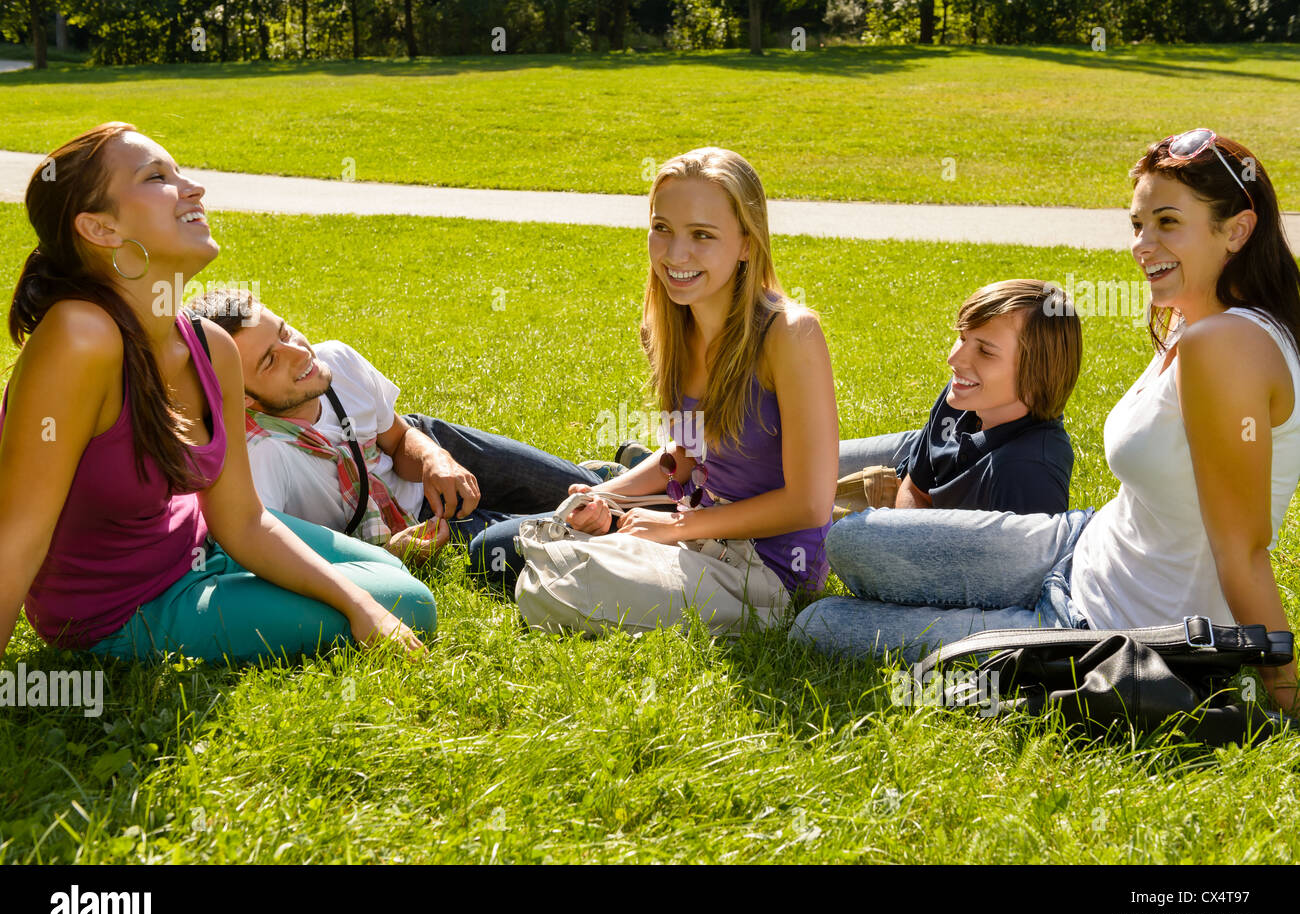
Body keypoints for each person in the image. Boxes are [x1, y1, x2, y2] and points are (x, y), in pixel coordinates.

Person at [794, 130, 1300, 714]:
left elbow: (1243, 547)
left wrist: (1286, 692)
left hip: (1098, 624)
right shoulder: (1198, 320)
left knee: (821, 624)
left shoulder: (1228, 343)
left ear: (1236, 229)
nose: (1143, 244)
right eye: (1138, 224)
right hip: (1079, 541)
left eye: (1167, 222)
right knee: (852, 542)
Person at [0, 122, 434, 663]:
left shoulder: (210, 346)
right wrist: (364, 607)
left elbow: (243, 520)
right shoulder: (80, 338)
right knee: (408, 601)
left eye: (180, 171)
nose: (193, 188)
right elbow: (15, 538)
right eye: (158, 176)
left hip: (203, 547)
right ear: (101, 228)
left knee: (384, 578)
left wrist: (356, 605)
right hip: (126, 610)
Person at [469, 146, 838, 623]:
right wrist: (606, 498)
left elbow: (809, 505)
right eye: (662, 228)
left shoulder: (790, 334)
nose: (675, 254)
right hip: (692, 525)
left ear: (748, 242)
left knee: (550, 583)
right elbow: (685, 457)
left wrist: (675, 527)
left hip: (765, 571)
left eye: (702, 235)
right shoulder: (667, 326)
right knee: (490, 551)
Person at [182, 287, 616, 564]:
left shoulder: (335, 360)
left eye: (284, 331)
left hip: (434, 450)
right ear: (240, 397)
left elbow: (396, 438)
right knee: (552, 532)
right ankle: (646, 514)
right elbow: (275, 558)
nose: (299, 352)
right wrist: (388, 558)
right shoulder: (258, 458)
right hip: (417, 527)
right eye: (271, 360)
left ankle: (626, 481)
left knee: (586, 490)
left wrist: (434, 458)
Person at [837, 279, 1082, 516]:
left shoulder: (1027, 472)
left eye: (985, 351)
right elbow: (914, 487)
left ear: (1037, 374)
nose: (954, 360)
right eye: (962, 338)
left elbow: (1014, 557)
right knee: (803, 465)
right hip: (909, 456)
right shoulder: (968, 397)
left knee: (835, 534)